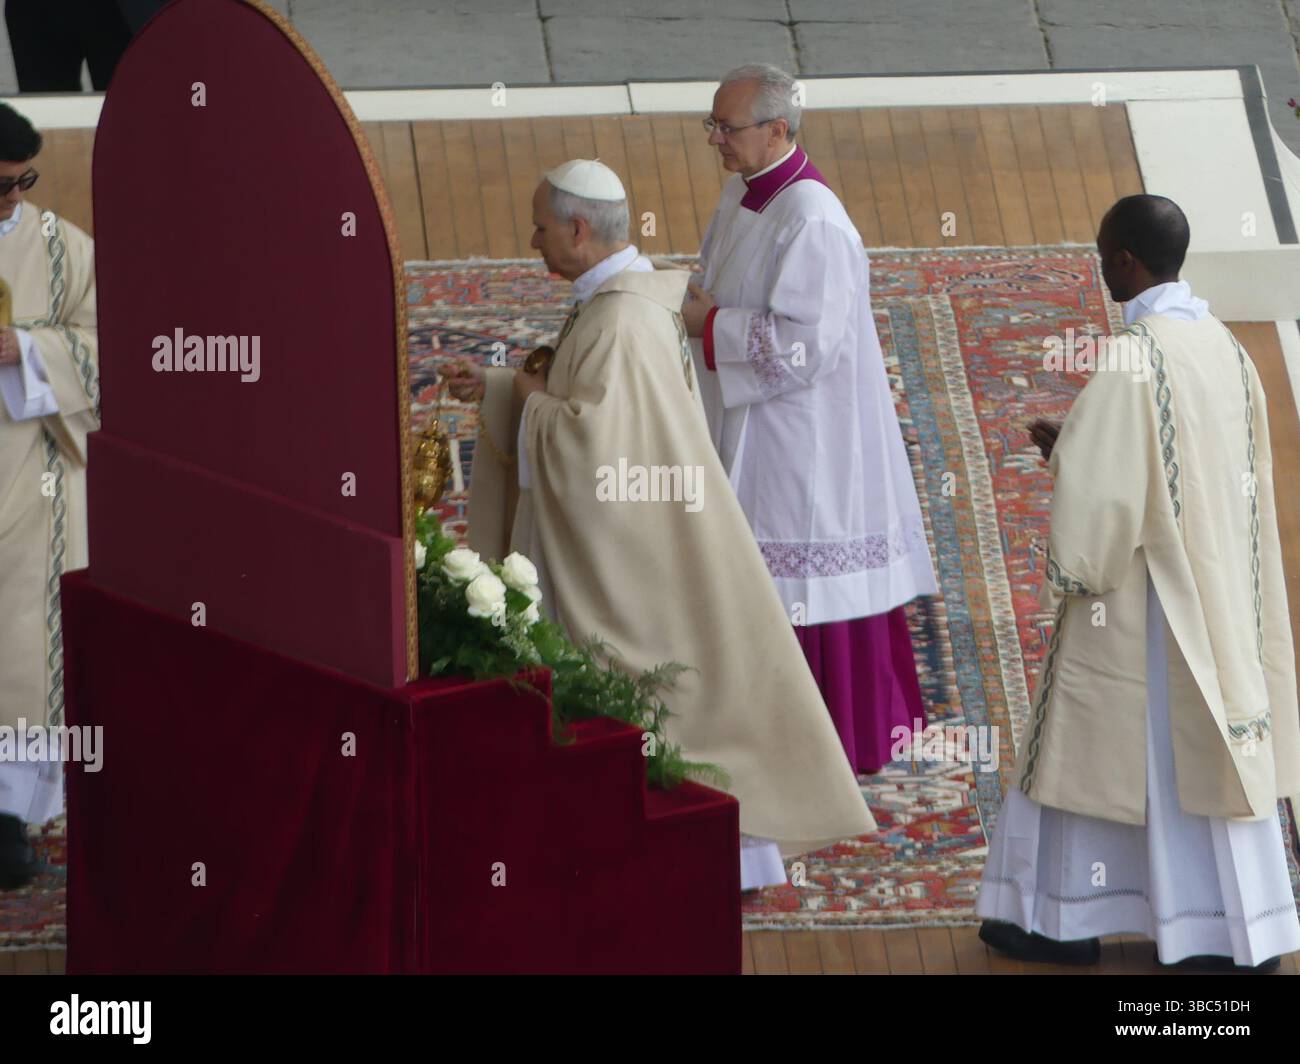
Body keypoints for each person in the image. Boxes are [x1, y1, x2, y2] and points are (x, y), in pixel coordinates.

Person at [443, 159, 873, 889]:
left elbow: (593, 451)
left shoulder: (622, 321)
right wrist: (498, 390)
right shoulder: (617, 301)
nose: (532, 239)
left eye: (543, 228)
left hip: (637, 554)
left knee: (668, 702)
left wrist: (527, 397)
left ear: (579, 230)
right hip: (652, 523)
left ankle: (716, 859)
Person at [978, 194, 1300, 972]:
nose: (1099, 266)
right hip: (1217, 588)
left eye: (1102, 254)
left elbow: (1107, 503)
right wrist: (1082, 450)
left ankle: (1059, 919)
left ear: (1127, 260)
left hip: (1143, 605)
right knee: (1203, 754)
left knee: (1097, 751)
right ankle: (1221, 927)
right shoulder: (1223, 345)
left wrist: (1069, 477)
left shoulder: (1134, 356)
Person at [681, 64, 937, 775]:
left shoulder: (814, 220)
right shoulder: (743, 191)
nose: (713, 142)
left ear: (777, 131)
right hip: (749, 413)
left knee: (800, 571)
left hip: (805, 433)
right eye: (711, 125)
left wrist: (712, 325)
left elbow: (804, 345)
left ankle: (835, 738)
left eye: (725, 129)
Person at [0, 102, 98, 889]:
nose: (13, 197)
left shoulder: (66, 250)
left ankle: (10, 825)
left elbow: (112, 350)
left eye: (22, 182)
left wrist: (29, 347)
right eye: (0, 184)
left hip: (33, 473)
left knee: (23, 653)